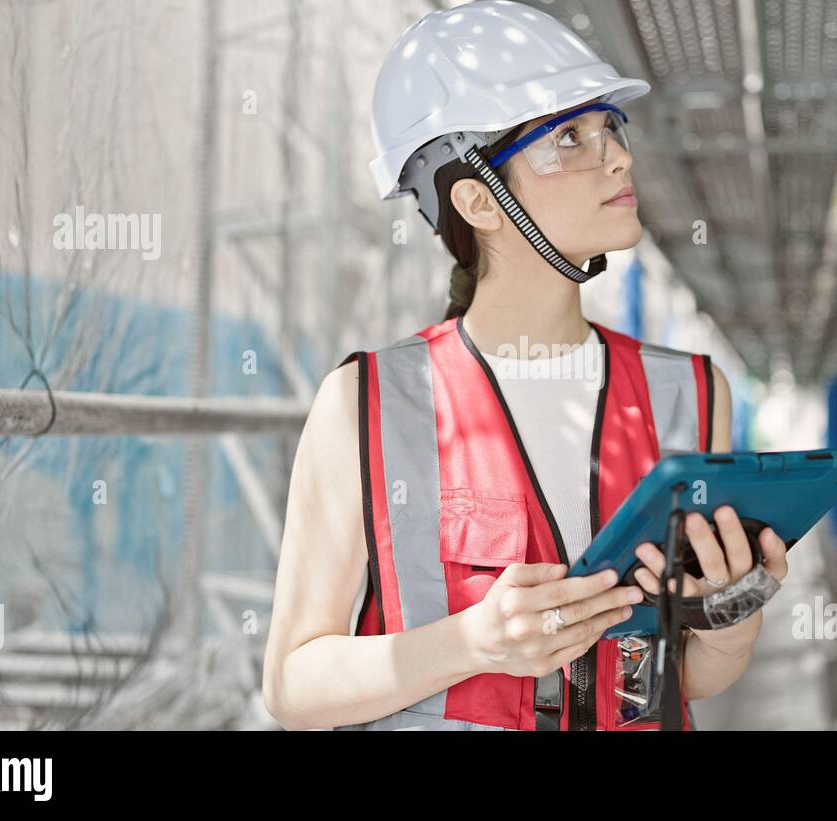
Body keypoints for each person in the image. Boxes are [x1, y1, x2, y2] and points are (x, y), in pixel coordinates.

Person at [262, 0, 788, 731]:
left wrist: (732, 616)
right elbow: (292, 683)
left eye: (610, 128)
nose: (619, 157)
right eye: (568, 137)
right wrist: (471, 643)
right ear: (478, 199)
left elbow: (687, 677)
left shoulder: (690, 393)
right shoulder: (367, 402)